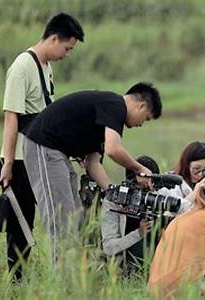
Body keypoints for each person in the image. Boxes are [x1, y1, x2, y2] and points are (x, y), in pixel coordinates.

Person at [22, 82, 162, 261]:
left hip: (59, 154)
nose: (142, 124)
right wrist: (140, 169)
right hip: (45, 147)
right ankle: (61, 281)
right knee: (61, 221)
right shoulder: (115, 105)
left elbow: (92, 162)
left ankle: (72, 276)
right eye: (146, 118)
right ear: (141, 105)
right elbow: (113, 149)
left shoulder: (105, 117)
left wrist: (114, 195)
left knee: (76, 219)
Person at [0, 12, 84, 281]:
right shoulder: (22, 67)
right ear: (54, 38)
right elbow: (12, 117)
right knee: (20, 222)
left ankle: (55, 274)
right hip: (22, 158)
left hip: (44, 153)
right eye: (67, 48)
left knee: (54, 217)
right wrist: (8, 163)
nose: (67, 54)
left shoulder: (46, 67)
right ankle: (16, 280)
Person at [101, 155, 159, 273]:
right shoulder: (114, 201)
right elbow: (109, 247)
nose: (146, 193)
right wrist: (139, 233)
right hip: (124, 267)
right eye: (142, 187)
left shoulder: (157, 198)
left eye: (150, 188)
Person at [163, 141, 205, 213]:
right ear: (186, 164)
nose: (200, 174)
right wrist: (196, 192)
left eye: (204, 170)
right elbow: (175, 211)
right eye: (196, 168)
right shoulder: (170, 181)